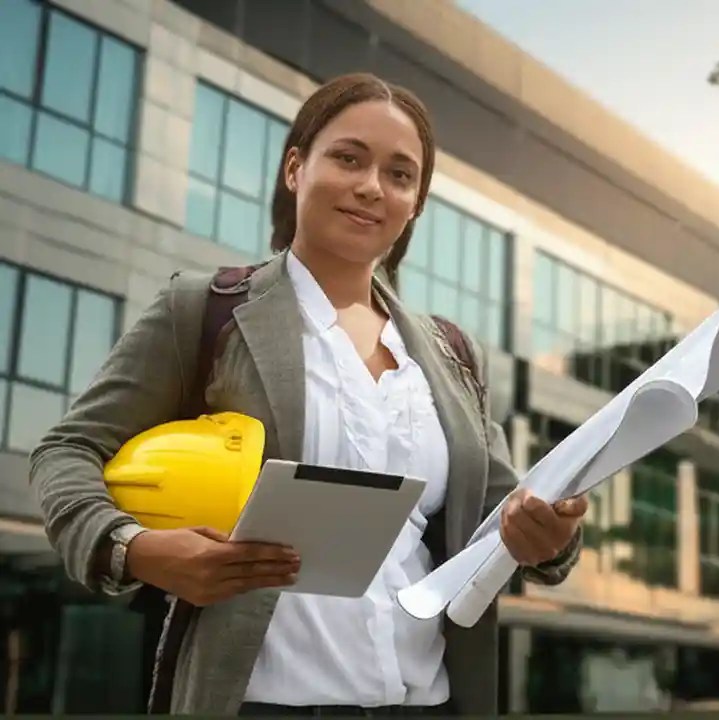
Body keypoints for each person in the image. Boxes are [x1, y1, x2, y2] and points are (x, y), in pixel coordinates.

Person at [28, 72, 586, 717]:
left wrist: (552, 536)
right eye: (348, 158)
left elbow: (503, 514)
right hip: (260, 703)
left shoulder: (451, 353)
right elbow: (66, 450)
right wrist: (136, 548)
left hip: (428, 702)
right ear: (296, 168)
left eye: (400, 175)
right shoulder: (206, 312)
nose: (371, 186)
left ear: (416, 205)